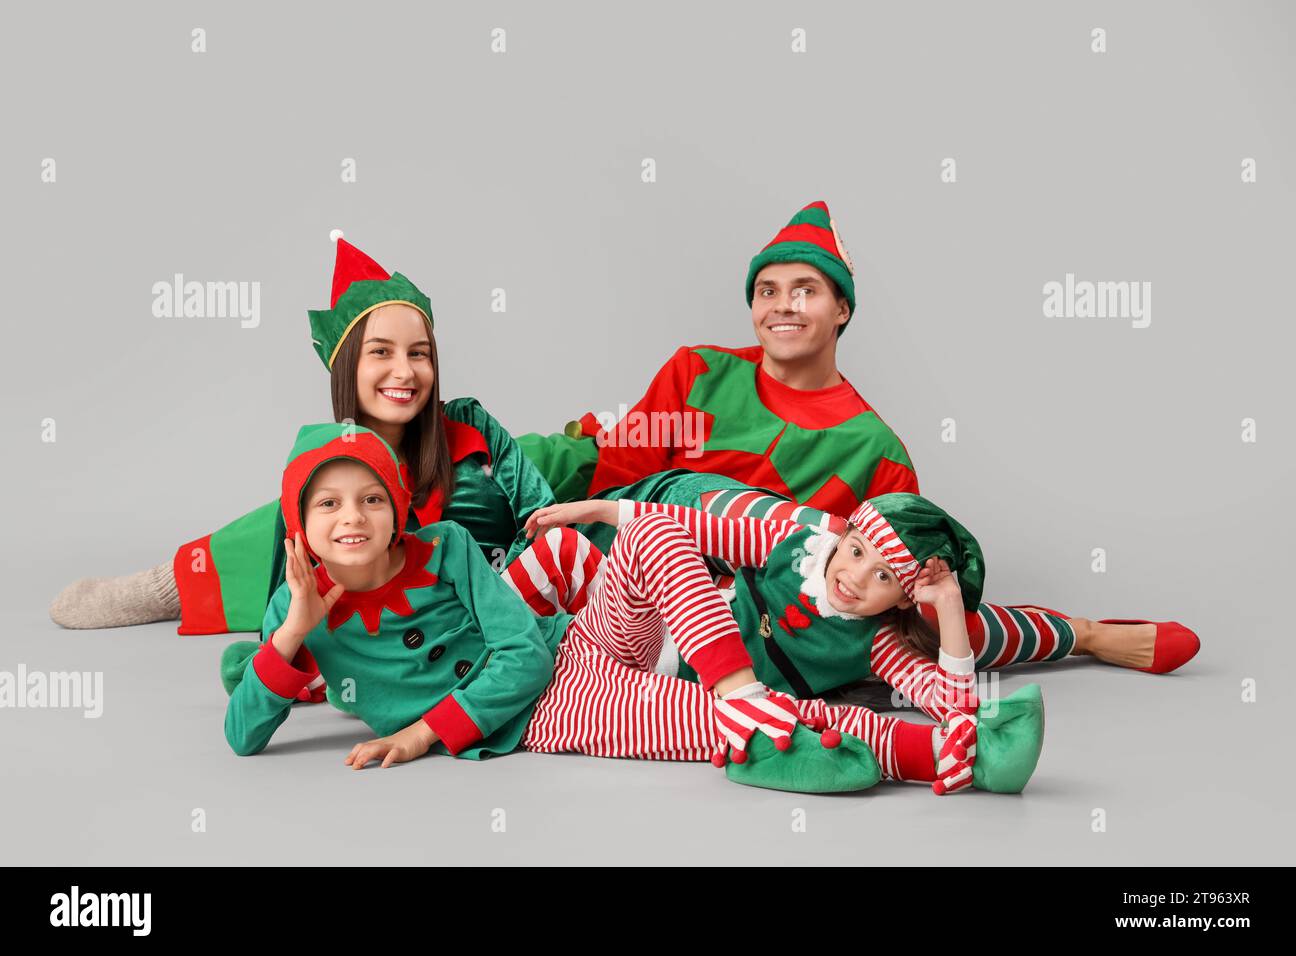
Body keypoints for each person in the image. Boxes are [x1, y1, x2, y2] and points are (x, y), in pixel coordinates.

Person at [516, 200, 1200, 676]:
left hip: (773, 605)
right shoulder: (697, 372)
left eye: (805, 290)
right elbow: (618, 472)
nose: (781, 306)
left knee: (919, 612)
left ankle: (1083, 633)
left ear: (841, 308)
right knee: (687, 501)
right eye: (767, 291)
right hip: (648, 562)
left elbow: (890, 587)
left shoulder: (878, 450)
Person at [224, 422, 1045, 796]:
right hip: (550, 716)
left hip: (566, 652)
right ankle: (941, 756)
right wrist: (292, 634)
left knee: (652, 528)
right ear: (299, 522)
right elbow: (241, 735)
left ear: (398, 507)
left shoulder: (446, 549)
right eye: (327, 506)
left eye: (370, 499)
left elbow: (523, 655)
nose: (353, 520)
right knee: (690, 715)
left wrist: (419, 733)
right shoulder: (296, 609)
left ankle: (743, 706)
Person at [50, 234, 555, 641]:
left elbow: (544, 506)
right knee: (298, 510)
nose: (404, 371)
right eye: (381, 352)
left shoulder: (471, 427)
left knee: (573, 457)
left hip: (536, 558)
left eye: (419, 353)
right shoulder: (334, 472)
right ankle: (170, 584)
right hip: (443, 616)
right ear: (346, 364)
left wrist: (510, 584)